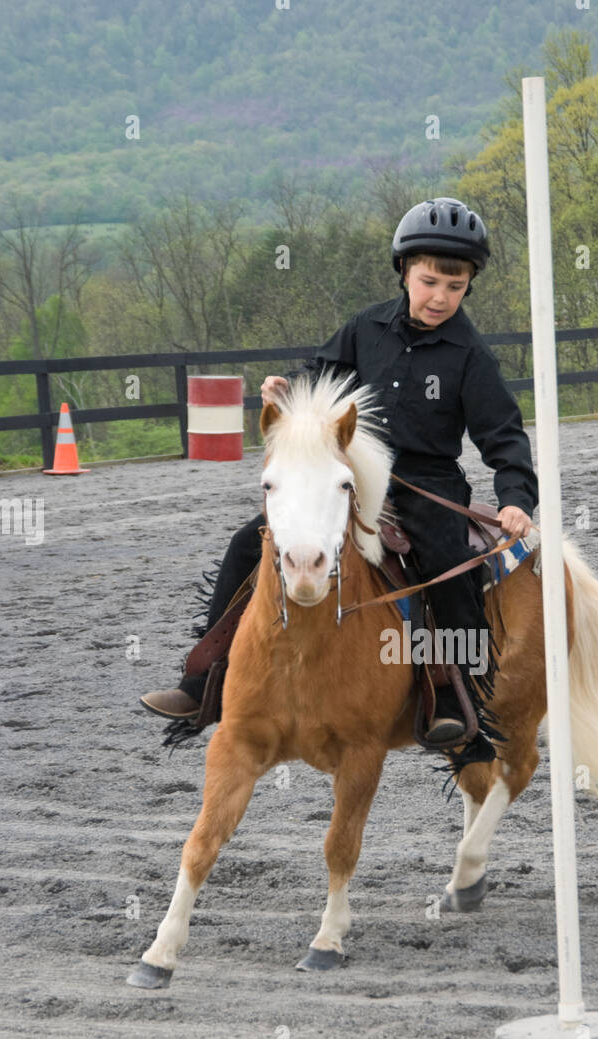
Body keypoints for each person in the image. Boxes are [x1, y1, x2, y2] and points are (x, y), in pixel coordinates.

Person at [141, 196, 538, 759]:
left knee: (451, 572)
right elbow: (320, 376)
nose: (440, 297)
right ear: (404, 271)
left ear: (469, 286)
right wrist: (287, 388)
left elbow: (504, 435)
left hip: (427, 486)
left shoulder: (470, 355)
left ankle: (459, 700)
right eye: (429, 282)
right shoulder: (365, 327)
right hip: (344, 479)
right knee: (244, 545)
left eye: (455, 287)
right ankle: (204, 679)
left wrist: (516, 498)